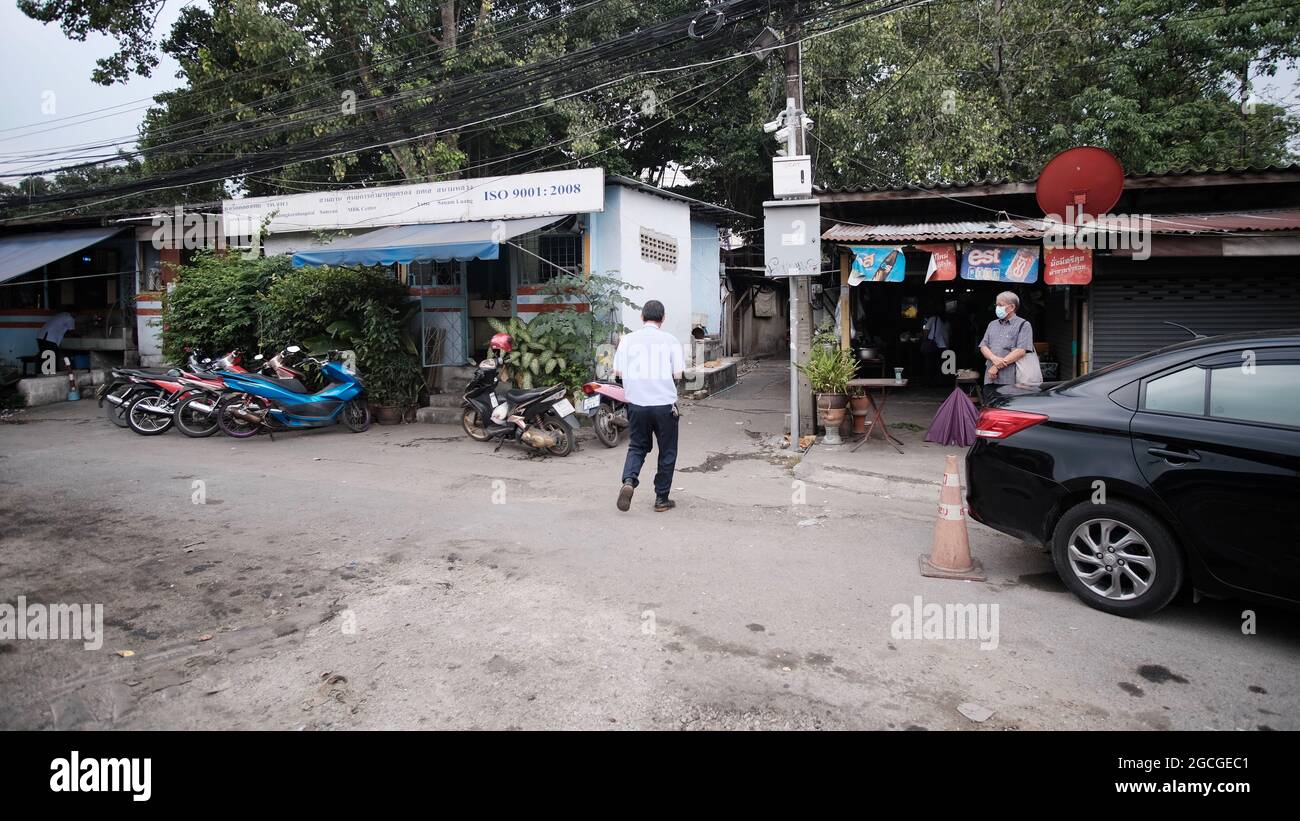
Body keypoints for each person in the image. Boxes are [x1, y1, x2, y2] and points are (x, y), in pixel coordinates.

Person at [613, 300, 684, 513]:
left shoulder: (627, 340)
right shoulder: (671, 340)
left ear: (642, 317)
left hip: (637, 406)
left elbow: (618, 373)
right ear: (662, 319)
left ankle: (628, 480)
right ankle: (661, 499)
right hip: (664, 407)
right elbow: (678, 375)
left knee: (637, 446)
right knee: (667, 451)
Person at [978, 291, 1033, 404]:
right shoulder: (992, 324)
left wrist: (996, 367)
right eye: (996, 305)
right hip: (990, 379)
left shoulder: (1023, 325)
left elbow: (1021, 350)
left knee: (1007, 412)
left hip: (1011, 380)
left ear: (1012, 307)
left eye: (1000, 305)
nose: (997, 307)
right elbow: (983, 345)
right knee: (990, 409)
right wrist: (994, 359)